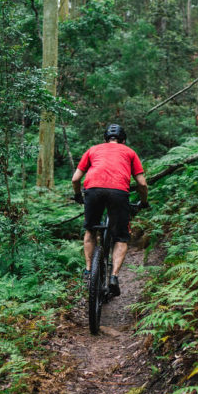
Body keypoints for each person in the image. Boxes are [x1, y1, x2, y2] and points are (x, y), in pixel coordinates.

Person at [72, 124, 149, 296]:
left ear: (105, 139)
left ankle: (88, 270)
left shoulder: (92, 150)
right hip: (119, 192)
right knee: (121, 236)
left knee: (91, 230)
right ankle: (113, 276)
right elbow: (142, 184)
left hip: (93, 190)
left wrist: (78, 195)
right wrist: (143, 202)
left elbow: (75, 179)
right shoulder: (129, 152)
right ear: (123, 140)